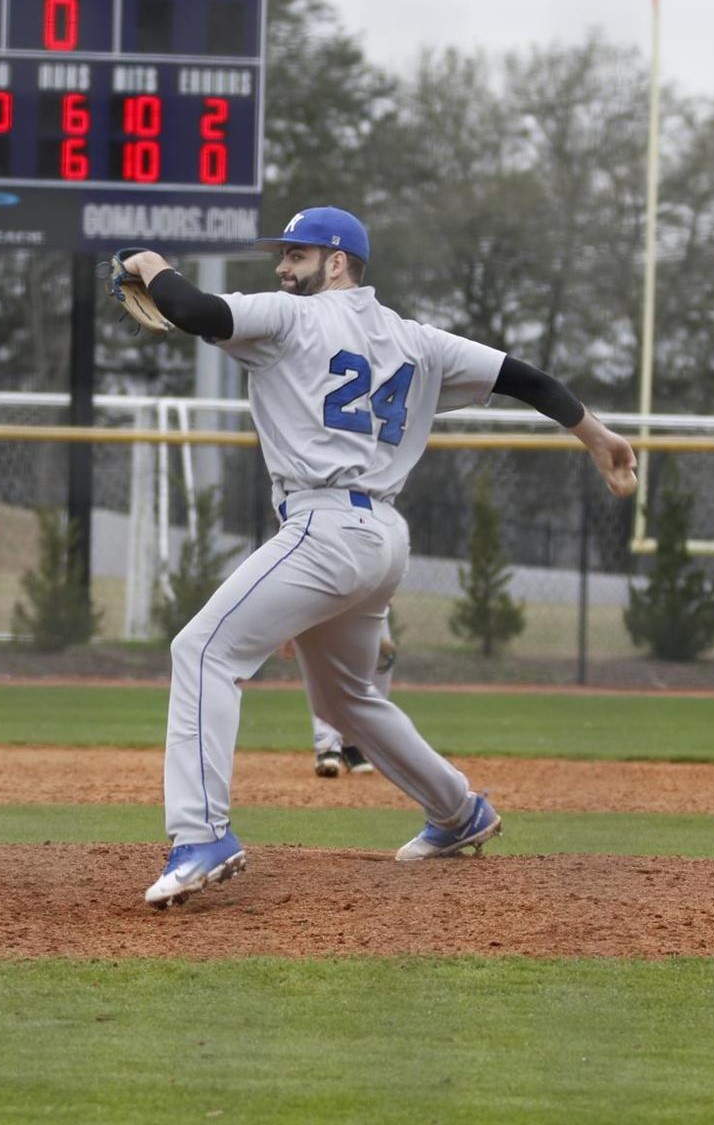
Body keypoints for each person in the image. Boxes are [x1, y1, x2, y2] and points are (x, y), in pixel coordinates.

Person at [123, 206, 637, 908]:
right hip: (382, 539)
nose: (282, 266)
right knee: (344, 697)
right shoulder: (417, 341)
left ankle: (202, 834)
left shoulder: (291, 319)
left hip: (323, 528)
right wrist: (597, 434)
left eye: (297, 254)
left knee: (203, 651)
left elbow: (192, 308)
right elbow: (529, 379)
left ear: (338, 262)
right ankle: (459, 811)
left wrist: (149, 265)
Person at [286, 609, 394, 777]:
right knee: (327, 665)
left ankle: (353, 745)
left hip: (373, 597)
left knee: (381, 665)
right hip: (331, 597)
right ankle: (327, 745)